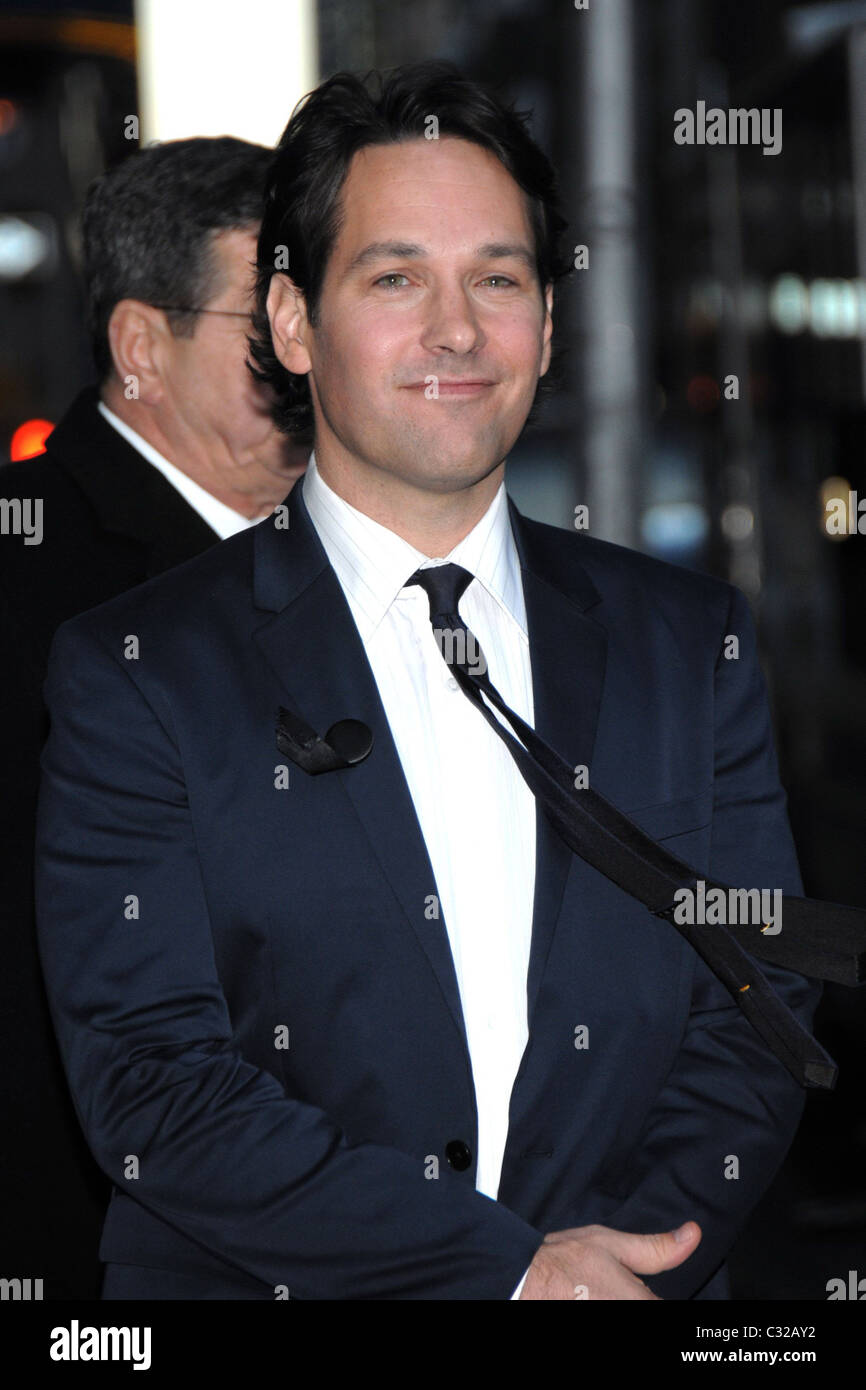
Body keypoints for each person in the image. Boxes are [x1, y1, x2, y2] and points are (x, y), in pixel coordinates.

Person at [34, 63, 820, 1300]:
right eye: (395, 278)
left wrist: (631, 1263)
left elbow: (759, 993)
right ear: (290, 325)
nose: (455, 330)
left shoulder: (688, 639)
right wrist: (505, 1277)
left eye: (498, 279)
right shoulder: (138, 670)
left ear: (548, 327)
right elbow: (152, 1082)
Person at [0, 135, 306, 1299]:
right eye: (264, 327)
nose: (305, 358)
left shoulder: (349, 549)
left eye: (311, 310)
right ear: (141, 346)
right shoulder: (31, 568)